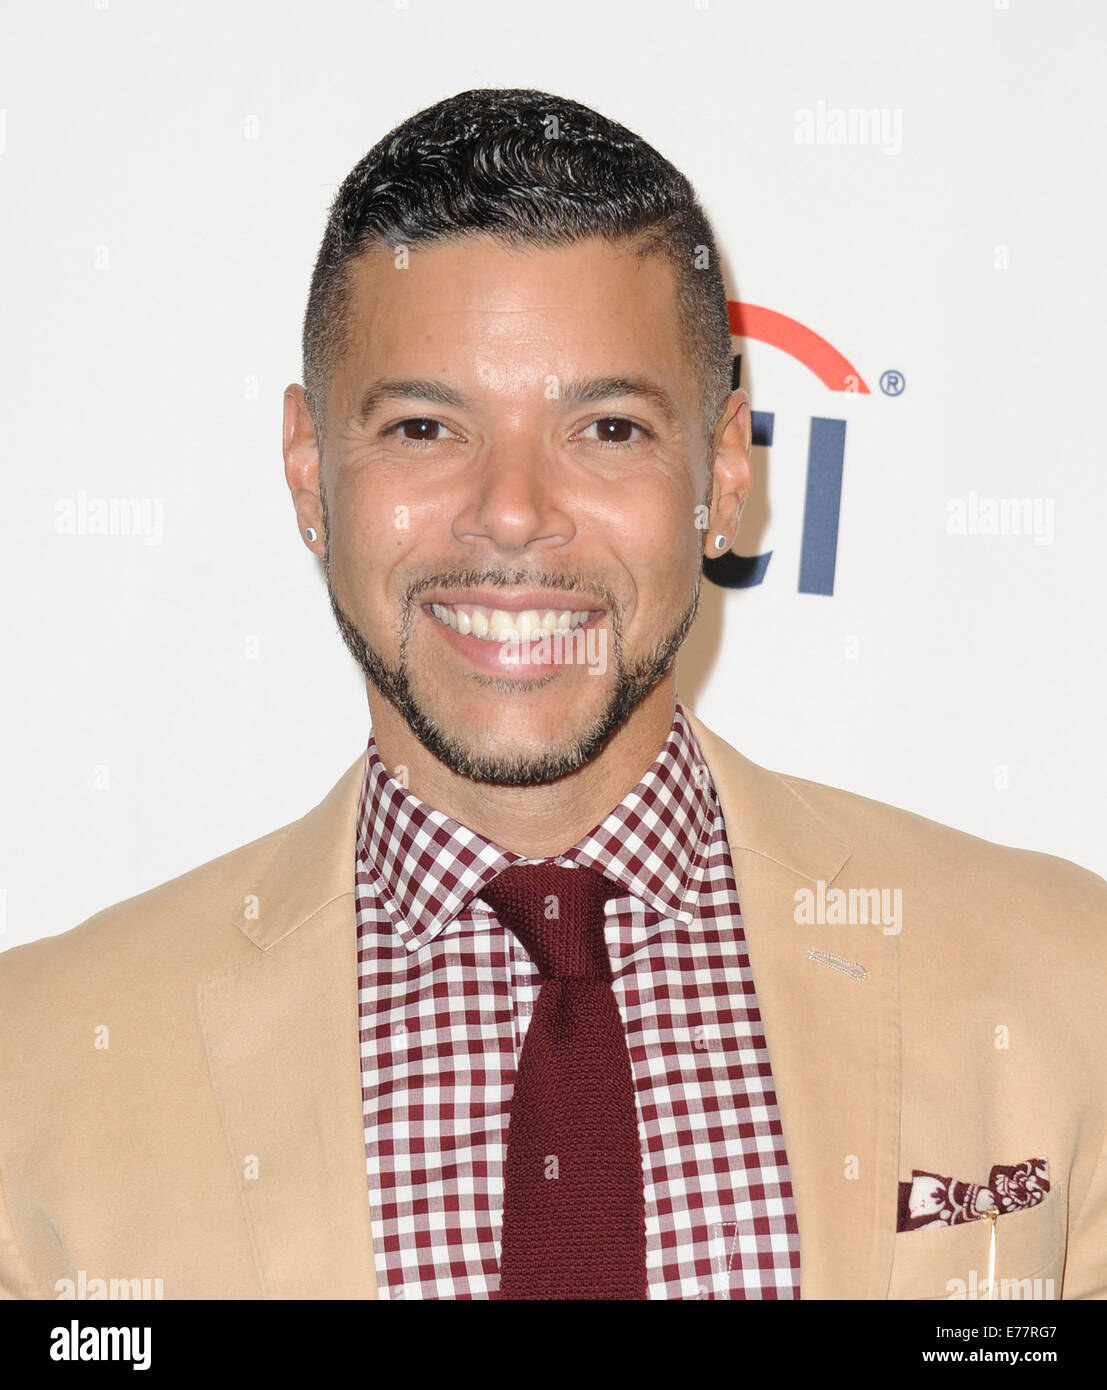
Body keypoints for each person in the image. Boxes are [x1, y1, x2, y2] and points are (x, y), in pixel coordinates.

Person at [1, 88, 1103, 1302]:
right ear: (310, 473)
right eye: (425, 426)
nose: (513, 511)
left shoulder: (1061, 984)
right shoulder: (38, 1069)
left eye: (609, 428)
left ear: (725, 470)